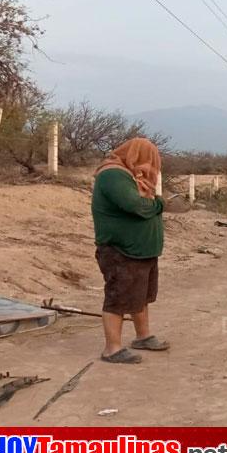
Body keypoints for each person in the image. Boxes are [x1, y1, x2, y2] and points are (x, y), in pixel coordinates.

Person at [91, 138, 170, 364]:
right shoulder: (113, 175)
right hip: (121, 251)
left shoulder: (133, 177)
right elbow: (135, 206)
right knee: (118, 298)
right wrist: (159, 204)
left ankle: (143, 336)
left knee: (140, 296)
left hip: (141, 251)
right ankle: (112, 349)